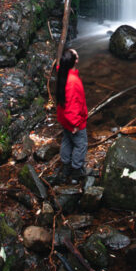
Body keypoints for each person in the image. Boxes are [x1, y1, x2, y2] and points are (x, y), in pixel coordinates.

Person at [55, 48, 88, 182]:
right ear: (74, 61)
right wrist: (76, 124)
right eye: (76, 55)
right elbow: (72, 106)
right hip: (73, 121)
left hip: (63, 118)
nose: (78, 55)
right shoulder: (73, 82)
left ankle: (66, 165)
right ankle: (76, 170)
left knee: (67, 140)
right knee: (81, 144)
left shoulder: (62, 72)